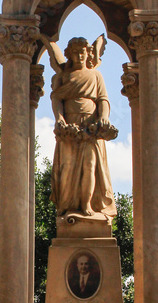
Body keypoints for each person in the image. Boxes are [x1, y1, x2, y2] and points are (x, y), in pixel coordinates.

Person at [50, 35, 117, 219]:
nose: (79, 56)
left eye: (82, 52)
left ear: (88, 54)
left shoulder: (96, 75)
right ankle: (66, 205)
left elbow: (103, 99)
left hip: (91, 127)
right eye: (75, 53)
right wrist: (60, 119)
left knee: (90, 165)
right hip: (70, 128)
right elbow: (56, 98)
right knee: (68, 167)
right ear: (69, 55)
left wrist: (103, 117)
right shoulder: (64, 76)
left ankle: (87, 205)